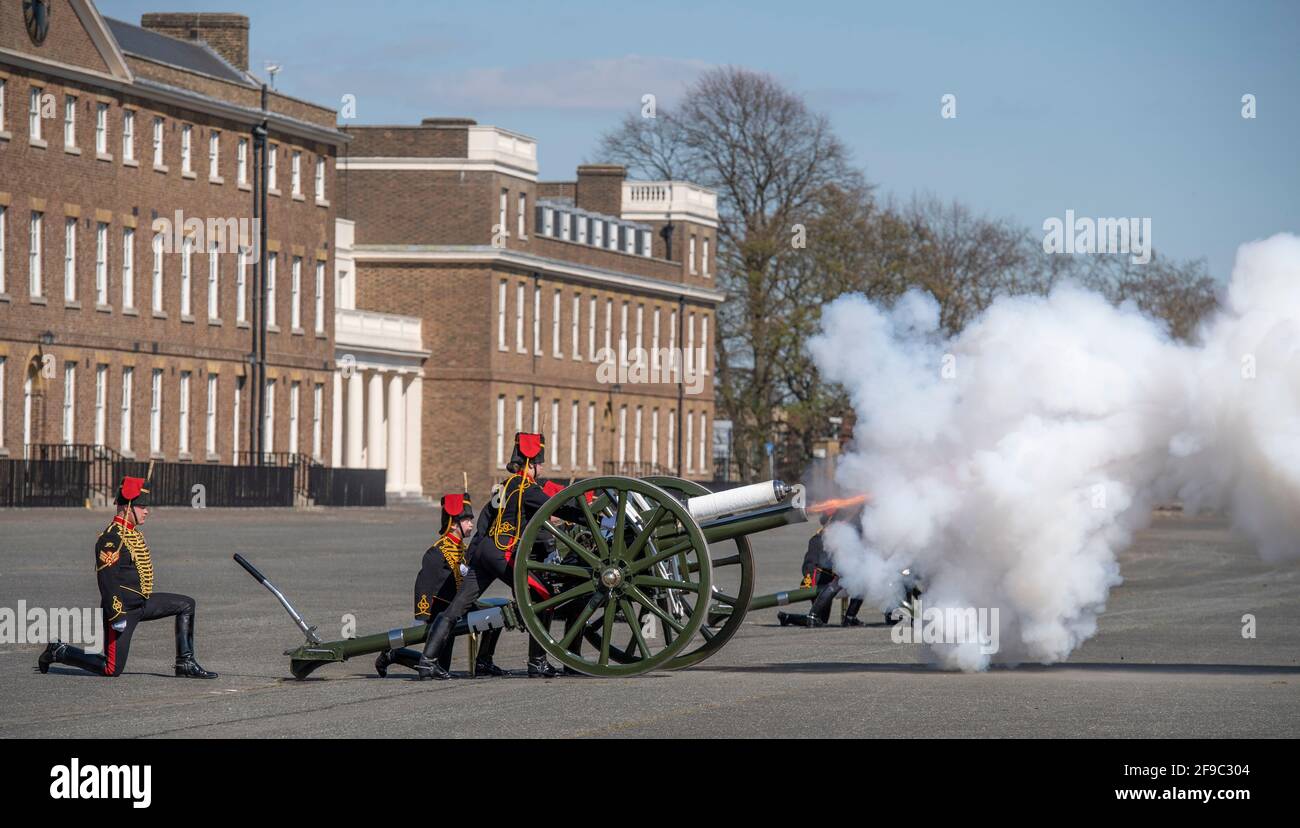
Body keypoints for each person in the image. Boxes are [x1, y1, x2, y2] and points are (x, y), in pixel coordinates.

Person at [414, 433, 589, 680]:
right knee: (544, 598)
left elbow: (484, 520)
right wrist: (589, 515)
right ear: (531, 464)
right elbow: (556, 506)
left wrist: (473, 555)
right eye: (539, 464)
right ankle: (537, 662)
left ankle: (427, 662)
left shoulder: (502, 486)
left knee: (455, 608)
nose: (541, 469)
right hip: (503, 552)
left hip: (485, 551)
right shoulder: (527, 488)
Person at [37, 476, 217, 678]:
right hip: (123, 610)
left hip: (142, 603)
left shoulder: (133, 534)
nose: (146, 511)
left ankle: (185, 662)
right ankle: (59, 651)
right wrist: (116, 615)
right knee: (112, 668)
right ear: (127, 507)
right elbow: (107, 580)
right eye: (141, 507)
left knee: (186, 604)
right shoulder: (111, 538)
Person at [374, 493, 505, 678]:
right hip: (441, 613)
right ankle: (393, 653)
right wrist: (421, 616)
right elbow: (423, 584)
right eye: (467, 520)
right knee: (441, 665)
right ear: (453, 524)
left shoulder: (464, 548)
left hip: (459, 606)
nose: (471, 524)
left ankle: (484, 661)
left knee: (495, 616)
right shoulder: (437, 552)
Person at [778, 509, 864, 627]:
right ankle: (849, 617)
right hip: (818, 581)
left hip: (824, 580)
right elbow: (810, 566)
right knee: (861, 581)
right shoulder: (820, 539)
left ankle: (788, 618)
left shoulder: (826, 536)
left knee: (822, 620)